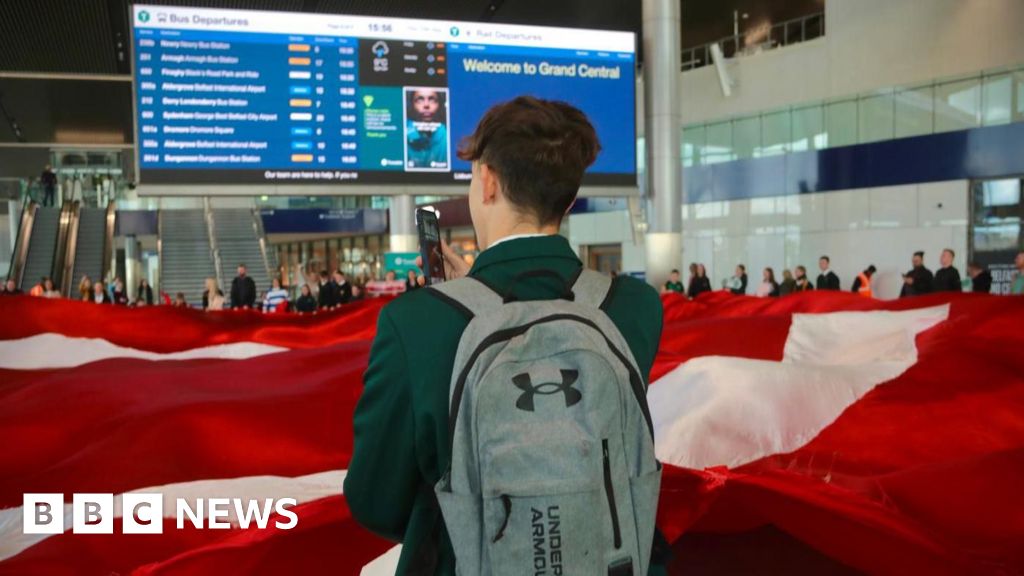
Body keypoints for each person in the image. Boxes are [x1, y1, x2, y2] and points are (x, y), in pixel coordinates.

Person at [346, 97, 666, 575]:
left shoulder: (413, 323)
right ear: (569, 197)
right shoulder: (634, 308)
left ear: (489, 182)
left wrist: (453, 300)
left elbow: (374, 500)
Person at [406, 88, 449, 169]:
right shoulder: (401, 133)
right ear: (411, 104)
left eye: (432, 99)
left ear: (440, 104)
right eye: (420, 99)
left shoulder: (447, 135)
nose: (426, 105)